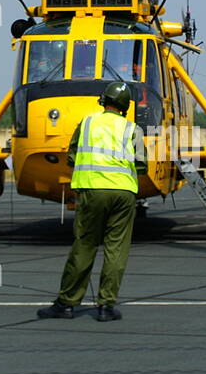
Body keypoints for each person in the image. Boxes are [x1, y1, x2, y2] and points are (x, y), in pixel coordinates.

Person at [37, 81, 147, 322]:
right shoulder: (133, 129)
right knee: (116, 249)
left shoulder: (87, 124)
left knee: (85, 245)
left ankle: (66, 303)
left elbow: (72, 157)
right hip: (123, 193)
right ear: (124, 106)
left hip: (91, 190)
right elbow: (141, 165)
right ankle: (106, 306)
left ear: (103, 101)